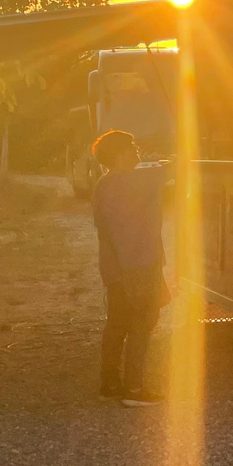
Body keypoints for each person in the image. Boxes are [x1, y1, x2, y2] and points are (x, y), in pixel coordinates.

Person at [91, 129, 172, 407]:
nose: (138, 151)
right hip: (139, 266)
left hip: (115, 268)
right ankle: (135, 390)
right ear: (120, 154)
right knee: (142, 323)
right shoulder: (135, 181)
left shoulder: (105, 183)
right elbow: (174, 172)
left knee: (117, 324)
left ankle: (110, 383)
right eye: (133, 147)